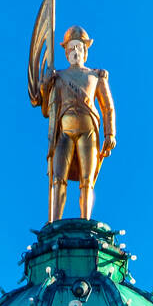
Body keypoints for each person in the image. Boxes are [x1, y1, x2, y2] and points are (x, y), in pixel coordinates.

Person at [40, 25, 116, 220]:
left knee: (87, 180)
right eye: (71, 47)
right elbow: (48, 109)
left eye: (79, 47)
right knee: (58, 178)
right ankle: (54, 221)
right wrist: (45, 85)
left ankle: (85, 219)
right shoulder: (58, 77)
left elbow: (107, 107)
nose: (75, 51)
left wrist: (110, 133)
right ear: (66, 52)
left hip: (88, 130)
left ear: (85, 50)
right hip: (64, 131)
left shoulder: (95, 76)